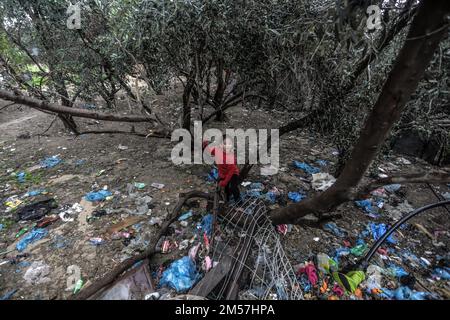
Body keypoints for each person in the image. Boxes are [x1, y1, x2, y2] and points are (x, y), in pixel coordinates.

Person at [203, 135, 240, 203]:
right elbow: (210, 150)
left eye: (229, 144)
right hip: (223, 173)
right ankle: (227, 200)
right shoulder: (217, 150)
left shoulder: (231, 157)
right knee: (225, 189)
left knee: (233, 187)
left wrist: (225, 181)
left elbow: (231, 172)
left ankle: (239, 202)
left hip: (233, 173)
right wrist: (205, 144)